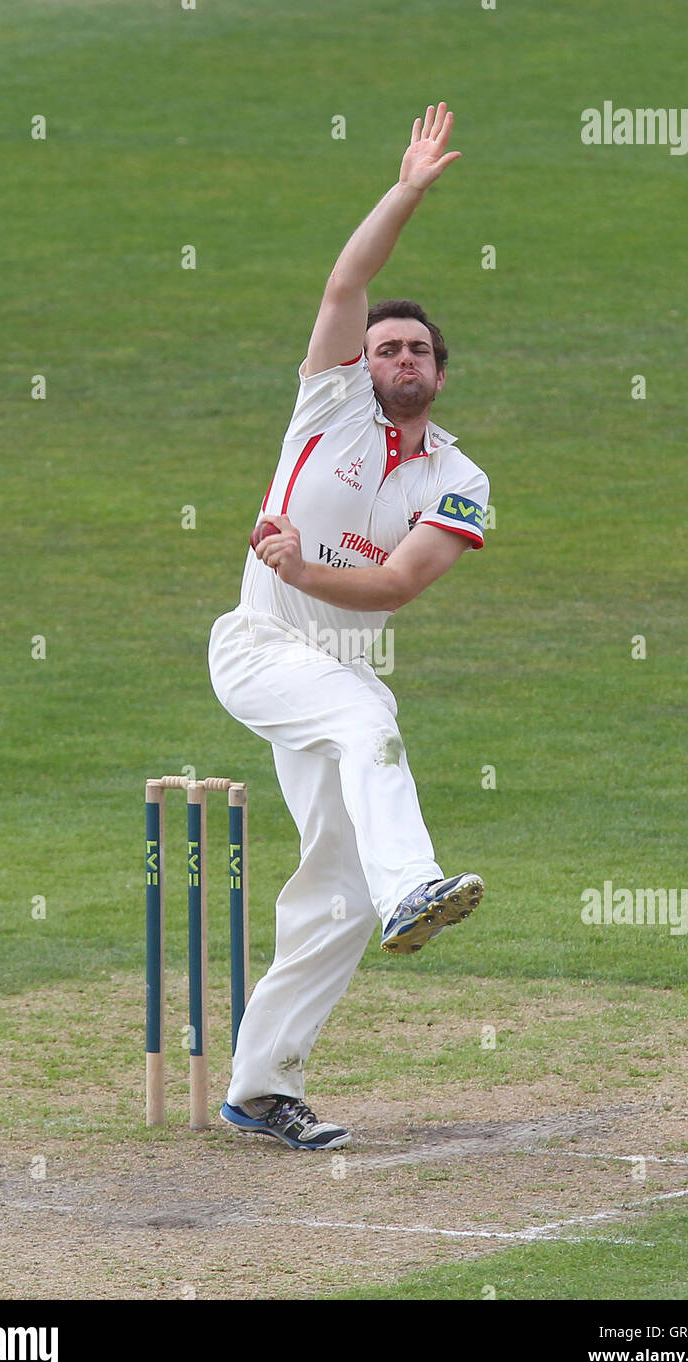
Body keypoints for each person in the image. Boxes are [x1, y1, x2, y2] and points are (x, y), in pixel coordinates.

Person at [208, 103, 490, 1151]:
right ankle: (412, 885)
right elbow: (343, 281)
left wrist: (311, 563)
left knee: (330, 891)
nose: (399, 355)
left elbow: (398, 588)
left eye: (417, 348)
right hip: (257, 647)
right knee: (368, 713)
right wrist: (409, 187)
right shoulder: (323, 406)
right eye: (385, 344)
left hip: (343, 657)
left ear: (438, 371)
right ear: (357, 361)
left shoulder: (459, 480)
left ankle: (258, 1086)